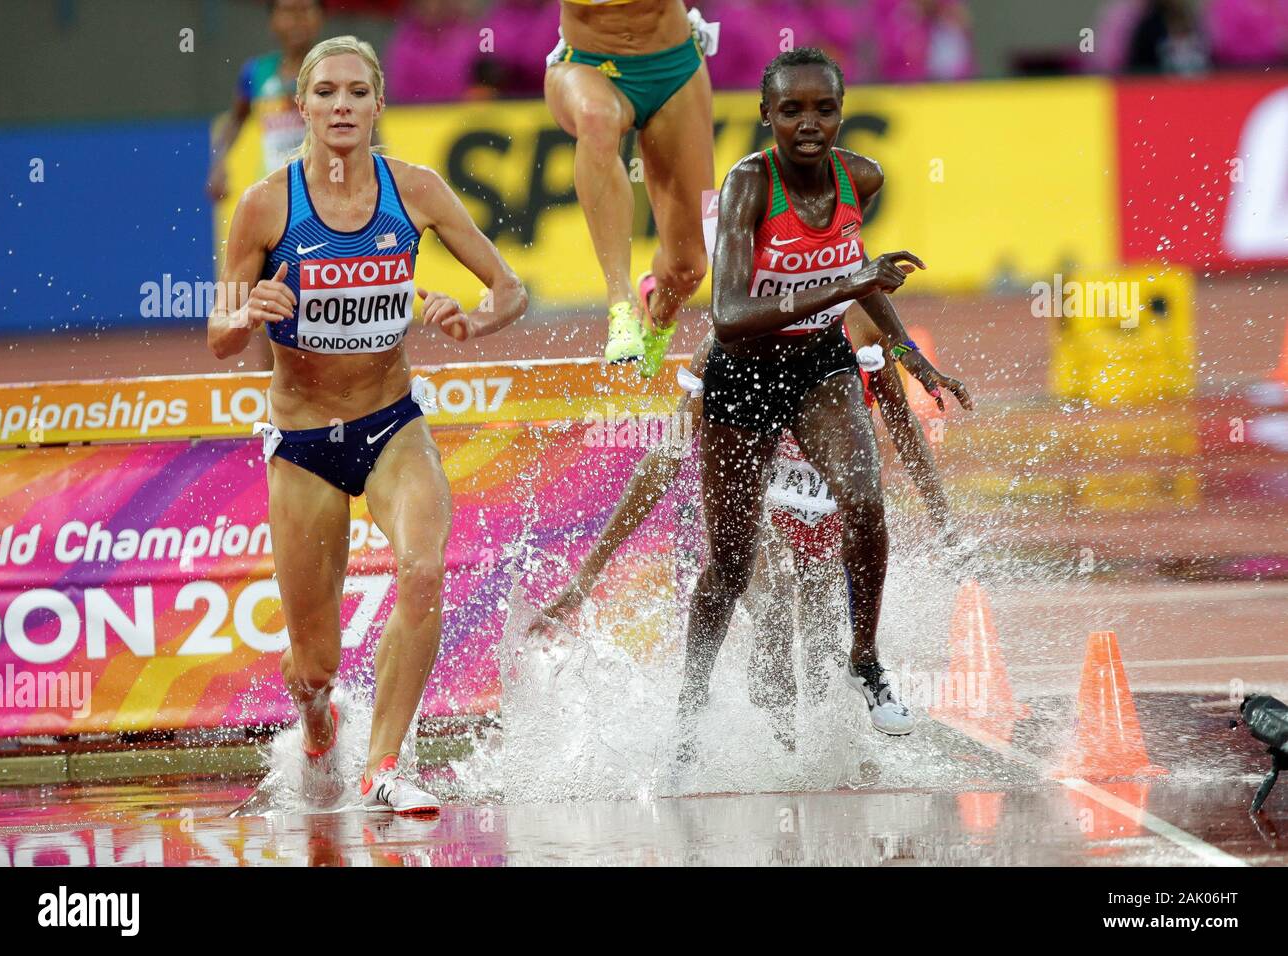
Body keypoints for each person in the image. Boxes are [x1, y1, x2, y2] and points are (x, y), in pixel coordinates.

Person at [206, 36, 528, 813]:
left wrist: (473, 320)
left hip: (393, 429)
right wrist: (249, 309)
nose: (342, 106)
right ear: (303, 107)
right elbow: (218, 335)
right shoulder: (264, 204)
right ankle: (320, 725)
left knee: (423, 568)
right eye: (327, 94)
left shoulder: (414, 190)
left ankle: (384, 765)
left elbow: (509, 289)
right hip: (305, 448)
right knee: (314, 665)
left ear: (379, 105)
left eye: (358, 93)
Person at [678, 47, 970, 757]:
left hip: (819, 364)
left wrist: (911, 356)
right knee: (732, 562)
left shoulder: (858, 177)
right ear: (766, 116)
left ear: (842, 110)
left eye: (824, 109)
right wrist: (846, 285)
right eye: (792, 110)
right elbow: (731, 315)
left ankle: (866, 663)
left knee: (864, 498)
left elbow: (857, 271)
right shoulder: (750, 184)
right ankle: (690, 698)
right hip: (742, 374)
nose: (809, 124)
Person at [531, 313, 954, 749]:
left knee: (824, 646)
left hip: (829, 507)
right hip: (766, 502)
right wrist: (586, 577)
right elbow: (665, 459)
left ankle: (827, 762)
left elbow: (903, 425)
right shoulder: (728, 341)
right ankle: (763, 749)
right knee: (771, 617)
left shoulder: (859, 325)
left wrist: (945, 524)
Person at [546, 0, 716, 374]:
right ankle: (619, 302)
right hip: (585, 66)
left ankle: (657, 309)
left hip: (673, 69)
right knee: (595, 117)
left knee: (689, 267)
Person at [205, 0, 324, 201]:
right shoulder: (256, 72)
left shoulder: (335, 69)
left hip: (324, 192)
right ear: (272, 21)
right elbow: (235, 120)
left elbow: (369, 129)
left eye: (304, 10)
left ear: (320, 17)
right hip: (273, 196)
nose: (297, 20)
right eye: (287, 11)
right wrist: (219, 164)